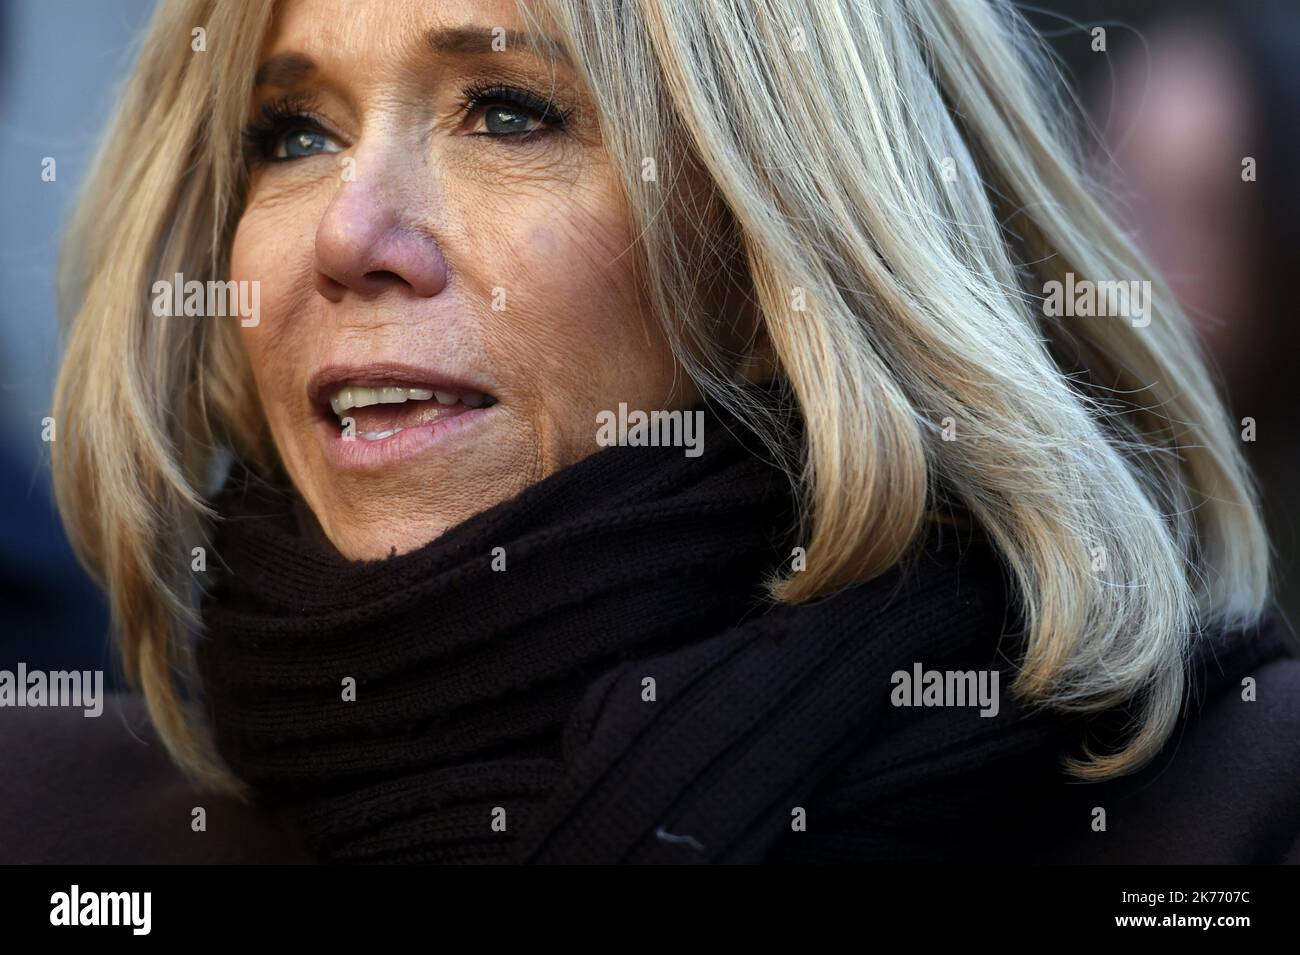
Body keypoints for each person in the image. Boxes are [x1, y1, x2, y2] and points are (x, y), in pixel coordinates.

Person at [19, 0, 1296, 863]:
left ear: (780, 251)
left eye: (509, 112)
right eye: (292, 134)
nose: (352, 234)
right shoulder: (56, 827)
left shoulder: (1235, 813)